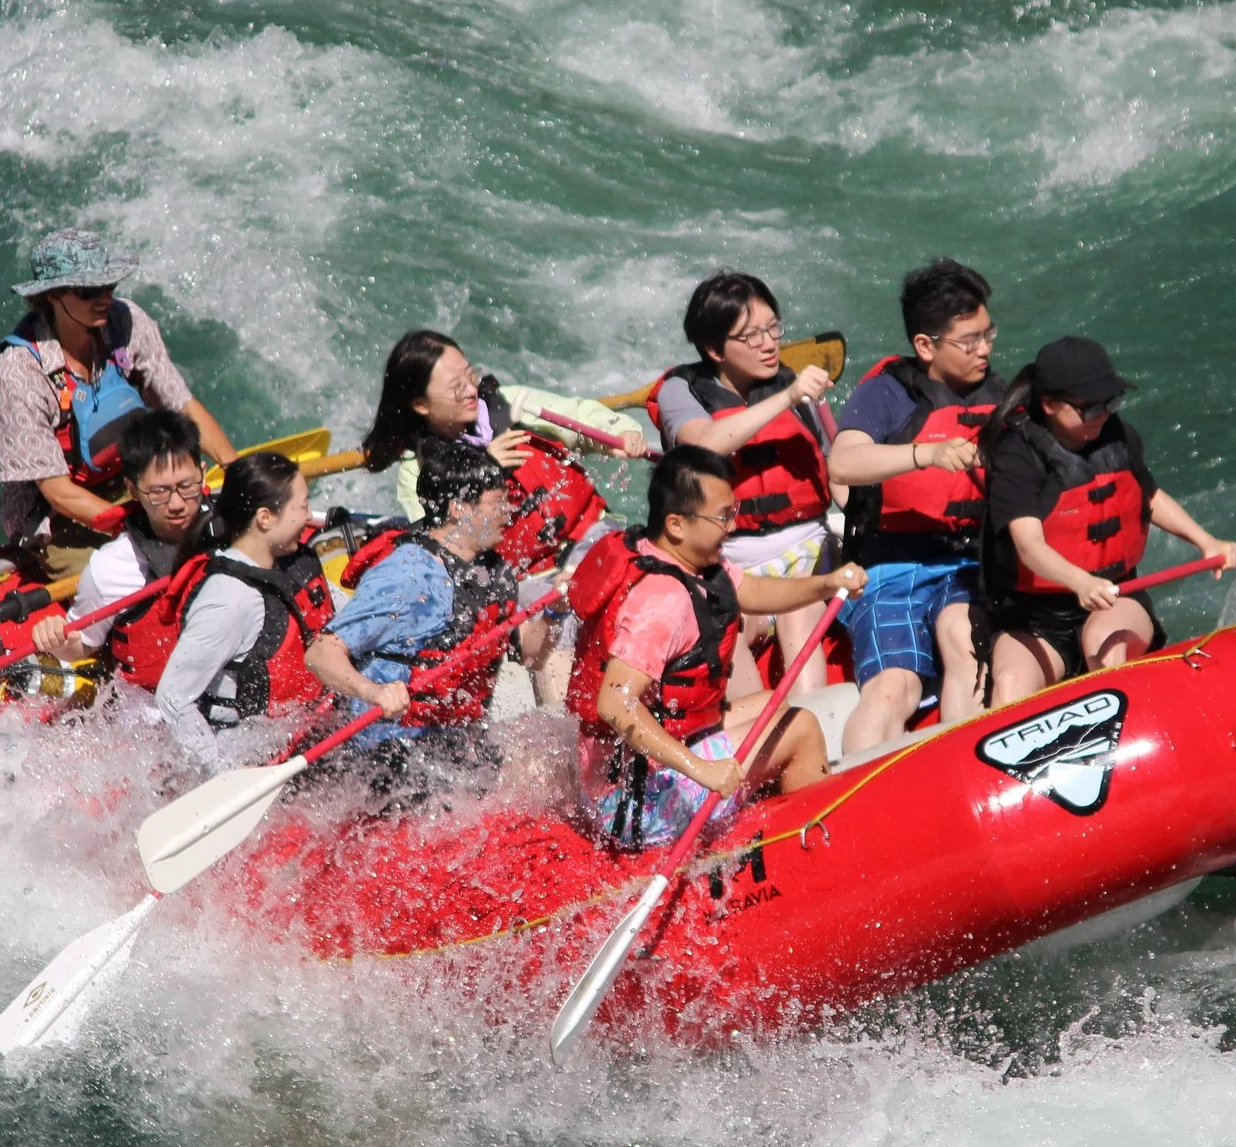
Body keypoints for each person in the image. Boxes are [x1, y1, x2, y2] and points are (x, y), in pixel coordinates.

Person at [567, 447, 864, 849]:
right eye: (723, 516)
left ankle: (765, 812)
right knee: (802, 728)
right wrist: (703, 770)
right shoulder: (662, 602)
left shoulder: (690, 561)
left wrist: (825, 584)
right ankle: (811, 848)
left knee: (774, 704)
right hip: (631, 799)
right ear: (676, 524)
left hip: (648, 759)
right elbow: (614, 705)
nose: (733, 524)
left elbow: (752, 590)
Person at [31, 416, 334, 753]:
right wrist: (57, 641)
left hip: (250, 706)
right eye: (159, 492)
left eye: (186, 486)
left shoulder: (245, 528)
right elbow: (83, 644)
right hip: (161, 722)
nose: (176, 503)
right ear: (132, 490)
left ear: (203, 474)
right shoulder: (112, 568)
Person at [979, 337, 1236, 705]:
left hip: (1116, 598)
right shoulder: (1018, 457)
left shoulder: (1117, 436)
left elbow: (1149, 497)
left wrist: (1206, 541)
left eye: (1110, 402)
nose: (1103, 415)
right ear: (1051, 404)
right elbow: (1028, 545)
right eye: (1090, 408)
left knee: (1106, 653)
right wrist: (1078, 581)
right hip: (1035, 619)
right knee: (1009, 685)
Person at [825, 259, 1005, 756]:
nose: (985, 349)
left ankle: (963, 774)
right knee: (893, 686)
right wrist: (925, 454)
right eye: (969, 341)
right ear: (926, 345)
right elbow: (842, 463)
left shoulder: (1004, 397)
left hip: (969, 564)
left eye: (988, 333)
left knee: (964, 644)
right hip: (890, 564)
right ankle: (860, 795)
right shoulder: (885, 394)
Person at [0, 227, 236, 577]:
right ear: (52, 297)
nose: (104, 297)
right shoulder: (18, 373)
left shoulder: (125, 321)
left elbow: (180, 405)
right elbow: (57, 491)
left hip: (133, 485)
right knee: (125, 578)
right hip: (58, 518)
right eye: (89, 291)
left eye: (109, 286)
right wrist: (140, 529)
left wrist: (237, 470)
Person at [646, 271, 839, 697]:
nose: (770, 343)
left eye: (773, 328)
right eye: (751, 336)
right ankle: (752, 735)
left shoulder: (794, 384)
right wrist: (787, 399)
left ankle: (817, 726)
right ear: (715, 348)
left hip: (805, 550)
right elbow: (706, 445)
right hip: (729, 563)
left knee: (798, 607)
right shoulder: (681, 391)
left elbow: (835, 474)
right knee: (727, 626)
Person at [304, 442, 547, 777]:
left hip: (453, 746)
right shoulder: (410, 575)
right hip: (385, 755)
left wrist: (555, 612)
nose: (509, 511)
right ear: (459, 509)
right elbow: (320, 652)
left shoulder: (491, 571)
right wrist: (373, 692)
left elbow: (532, 655)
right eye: (498, 502)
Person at [358, 329, 649, 583]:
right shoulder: (418, 471)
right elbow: (444, 545)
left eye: (470, 375)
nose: (472, 390)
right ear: (421, 404)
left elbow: (579, 417)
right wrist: (484, 469)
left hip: (594, 533)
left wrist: (619, 432)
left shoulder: (511, 403)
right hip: (530, 581)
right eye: (457, 388)